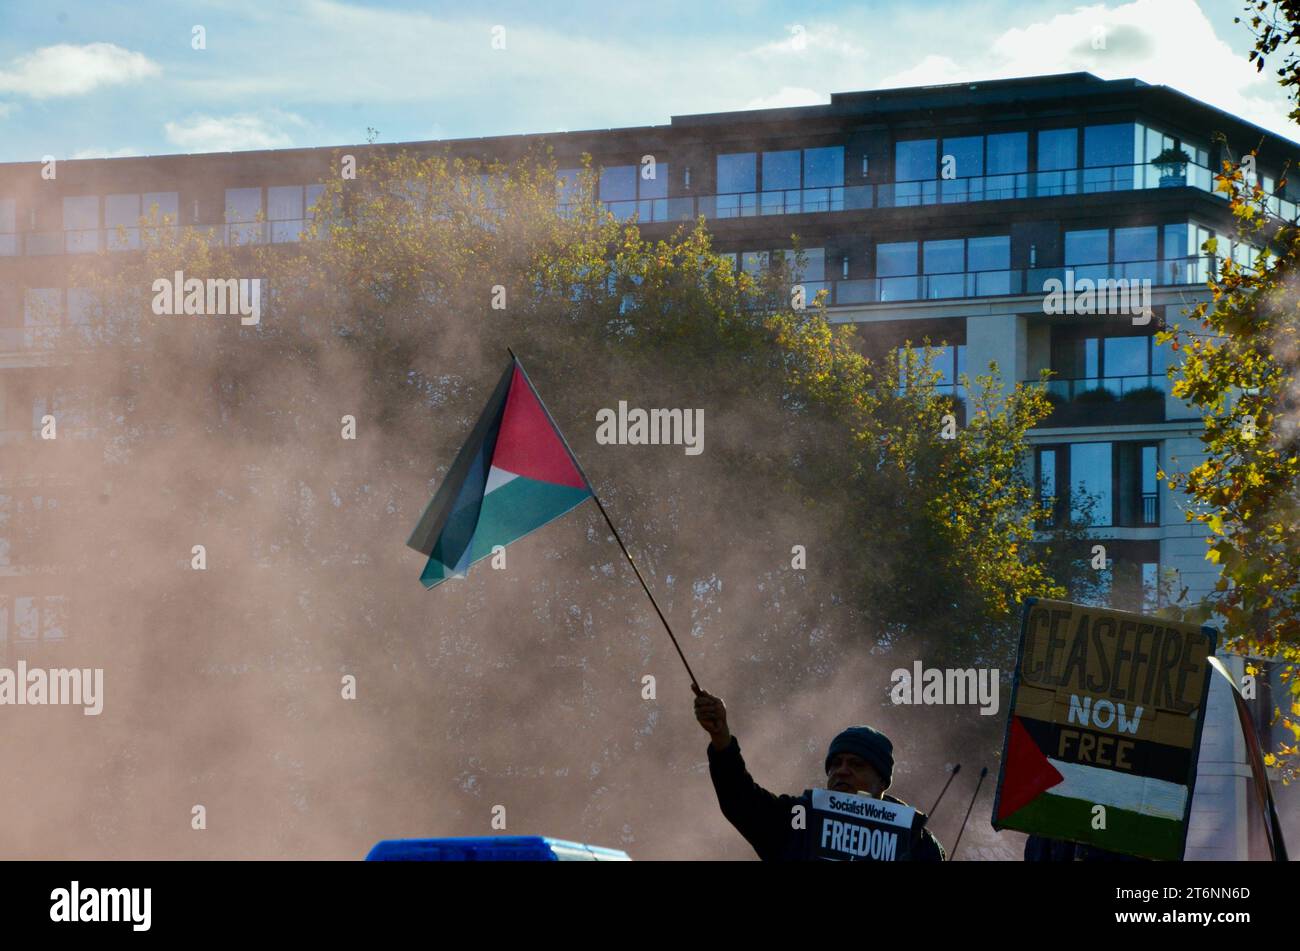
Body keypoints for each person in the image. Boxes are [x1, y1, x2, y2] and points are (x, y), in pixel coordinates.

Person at [694, 690, 945, 861]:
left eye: (856, 765)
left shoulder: (915, 841)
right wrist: (722, 741)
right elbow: (742, 802)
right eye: (835, 763)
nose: (842, 770)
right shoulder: (803, 820)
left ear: (882, 781)